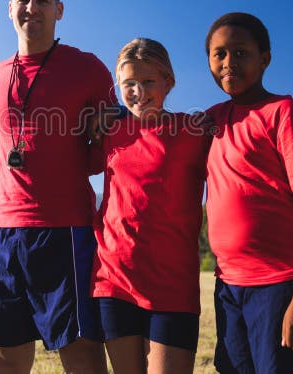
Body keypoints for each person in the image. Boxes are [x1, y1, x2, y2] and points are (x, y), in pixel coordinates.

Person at [0, 0, 115, 374]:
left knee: (81, 351)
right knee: (5, 353)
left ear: (60, 10)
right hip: (2, 231)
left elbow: (105, 153)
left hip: (64, 228)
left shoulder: (88, 68)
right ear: (9, 9)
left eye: (42, 0)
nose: (31, 8)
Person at [204, 12, 293, 374]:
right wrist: (115, 116)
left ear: (264, 58)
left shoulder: (287, 114)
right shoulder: (209, 121)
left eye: (240, 52)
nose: (228, 62)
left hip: (288, 282)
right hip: (231, 285)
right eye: (219, 54)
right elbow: (156, 125)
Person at [90, 38, 209, 374]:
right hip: (113, 278)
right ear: (118, 87)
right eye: (129, 84)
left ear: (168, 82)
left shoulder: (193, 131)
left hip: (172, 285)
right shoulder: (110, 130)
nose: (139, 92)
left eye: (148, 82)